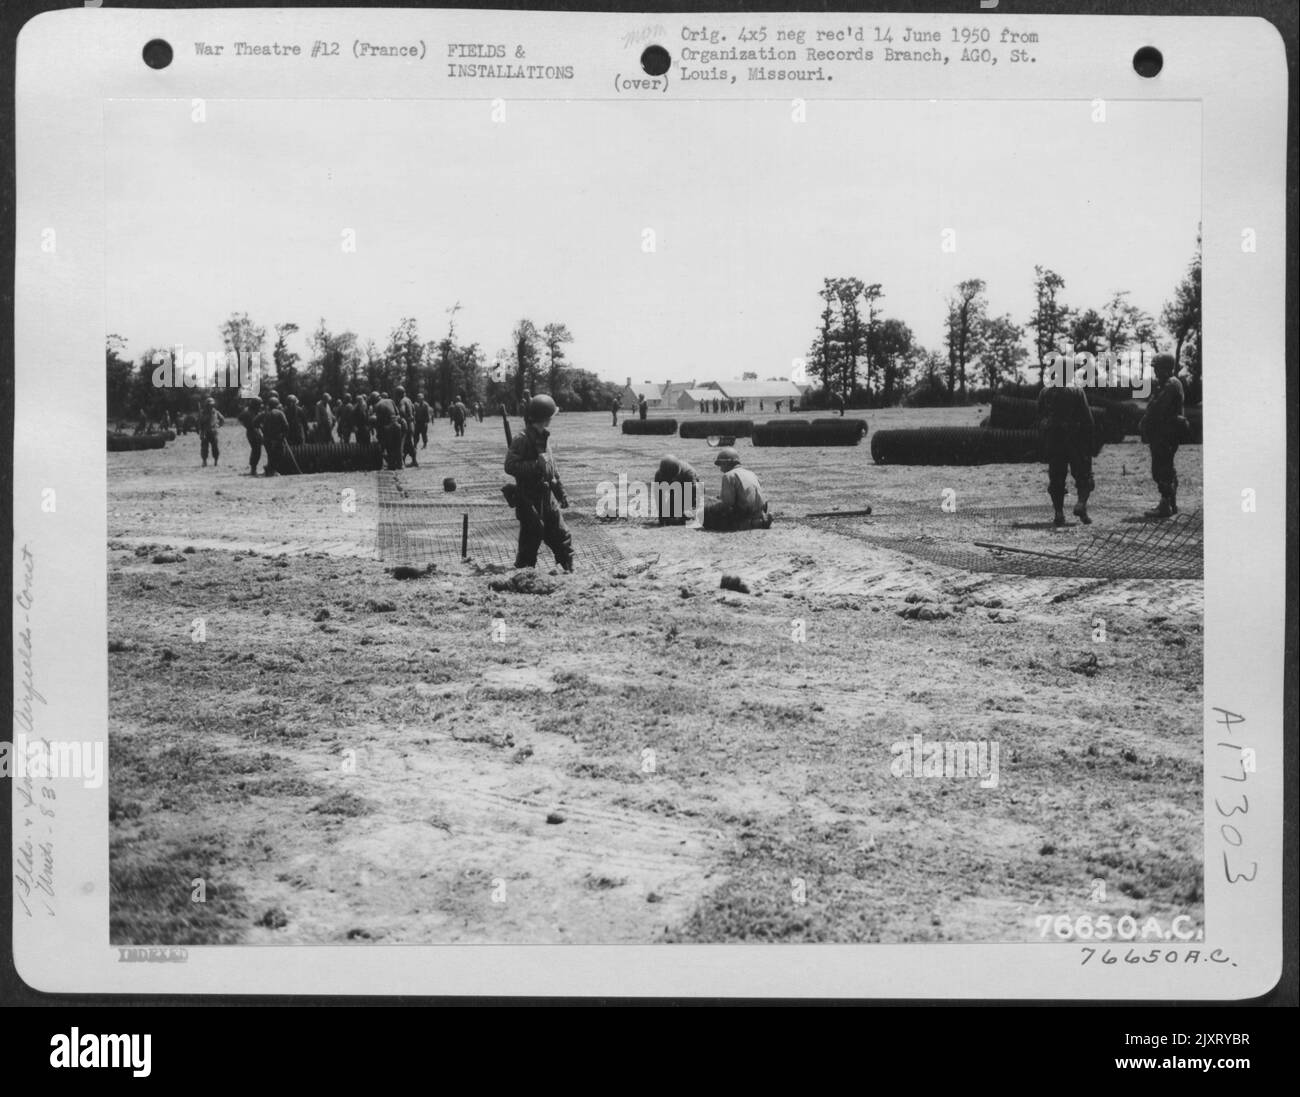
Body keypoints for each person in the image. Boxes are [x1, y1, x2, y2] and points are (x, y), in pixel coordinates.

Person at [504, 394, 573, 571]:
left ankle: (567, 569)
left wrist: (560, 492)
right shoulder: (522, 439)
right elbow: (510, 466)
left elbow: (552, 469)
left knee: (561, 535)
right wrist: (536, 466)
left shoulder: (544, 437)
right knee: (531, 537)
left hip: (546, 496)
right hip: (528, 497)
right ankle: (524, 575)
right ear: (546, 418)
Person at [1037, 373, 1096, 526]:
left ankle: (1059, 513)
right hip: (1075, 440)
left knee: (1056, 478)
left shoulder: (1044, 392)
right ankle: (1081, 504)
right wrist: (1089, 442)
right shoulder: (1077, 391)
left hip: (1054, 440)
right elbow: (1087, 418)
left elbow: (1039, 417)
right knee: (1084, 476)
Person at [1139, 353, 1187, 518]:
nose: (1155, 372)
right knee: (1166, 468)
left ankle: (1165, 505)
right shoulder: (1170, 383)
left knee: (1161, 469)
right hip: (1165, 432)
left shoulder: (1170, 384)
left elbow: (1158, 408)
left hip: (1165, 433)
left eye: (1158, 368)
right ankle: (1170, 503)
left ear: (1166, 368)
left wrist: (1146, 420)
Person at [703, 447, 772, 531]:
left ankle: (750, 524)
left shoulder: (728, 475)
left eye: (721, 464)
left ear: (727, 463)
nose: (721, 469)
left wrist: (711, 507)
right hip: (758, 511)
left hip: (743, 514)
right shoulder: (751, 473)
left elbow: (727, 504)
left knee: (706, 513)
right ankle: (759, 521)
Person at [653, 454, 700, 526]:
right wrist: (662, 515)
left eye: (672, 478)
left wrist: (687, 512)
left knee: (686, 518)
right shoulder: (659, 474)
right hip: (675, 493)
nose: (670, 480)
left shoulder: (688, 474)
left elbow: (695, 496)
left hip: (690, 493)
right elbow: (659, 497)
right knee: (670, 515)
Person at [255, 396, 290, 476]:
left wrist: (261, 429)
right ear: (276, 405)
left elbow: (255, 423)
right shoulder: (280, 413)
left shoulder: (264, 413)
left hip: (266, 439)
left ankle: (269, 470)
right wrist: (283, 435)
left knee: (270, 455)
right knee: (278, 455)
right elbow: (286, 426)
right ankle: (272, 471)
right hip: (277, 438)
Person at [372, 393, 404, 471]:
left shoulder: (377, 405)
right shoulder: (390, 400)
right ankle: (400, 465)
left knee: (390, 447)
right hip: (397, 425)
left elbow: (379, 421)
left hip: (388, 427)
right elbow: (398, 414)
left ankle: (392, 465)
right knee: (398, 446)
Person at [238, 396, 263, 476]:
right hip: (254, 432)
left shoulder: (247, 411)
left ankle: (253, 469)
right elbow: (256, 423)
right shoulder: (250, 413)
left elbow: (240, 419)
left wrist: (246, 425)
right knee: (257, 450)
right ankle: (253, 469)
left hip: (250, 432)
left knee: (255, 450)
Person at [198, 397, 224, 467]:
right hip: (205, 432)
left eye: (212, 405)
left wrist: (218, 426)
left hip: (213, 432)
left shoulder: (215, 412)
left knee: (215, 448)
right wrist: (201, 432)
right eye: (209, 405)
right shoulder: (202, 413)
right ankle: (204, 461)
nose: (210, 406)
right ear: (206, 405)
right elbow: (200, 423)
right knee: (204, 448)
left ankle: (216, 461)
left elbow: (222, 419)